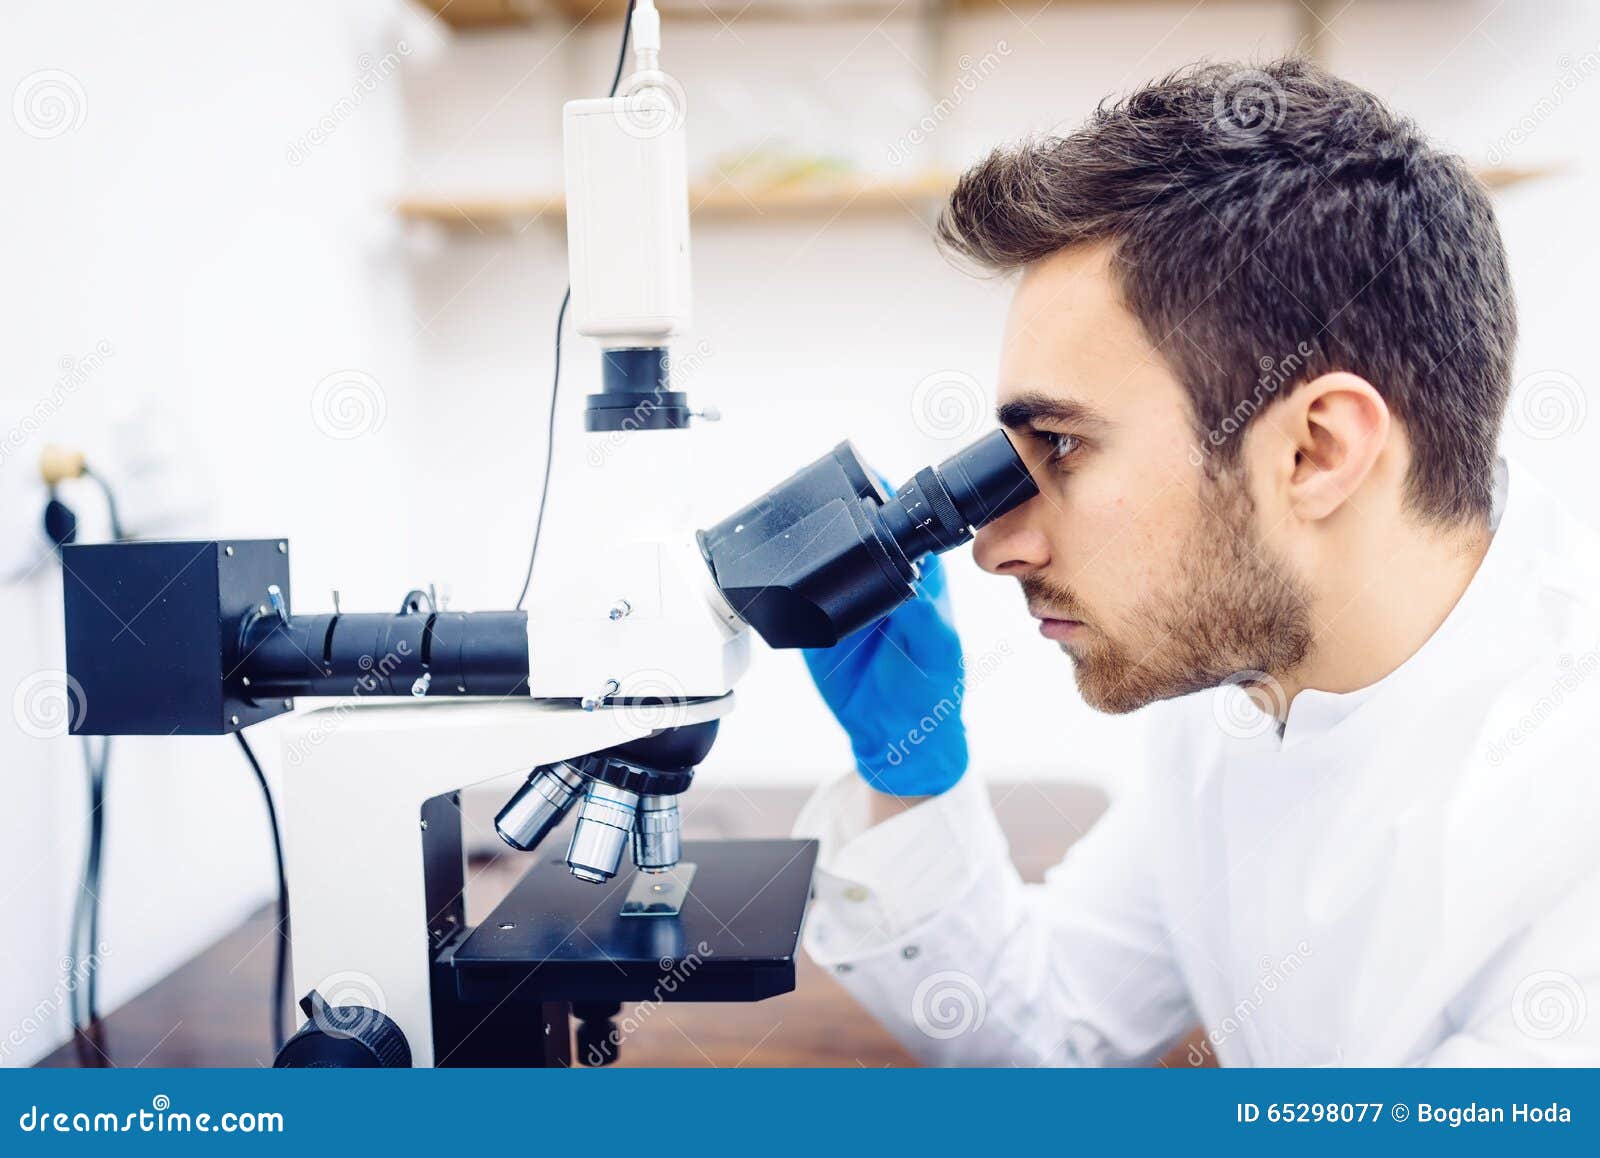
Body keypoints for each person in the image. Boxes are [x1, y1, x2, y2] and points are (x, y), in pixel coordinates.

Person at [796, 58, 1600, 1066]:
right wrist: (910, 773)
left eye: (1064, 446)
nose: (997, 546)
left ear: (1316, 452)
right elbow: (1049, 1028)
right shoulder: (1245, 696)